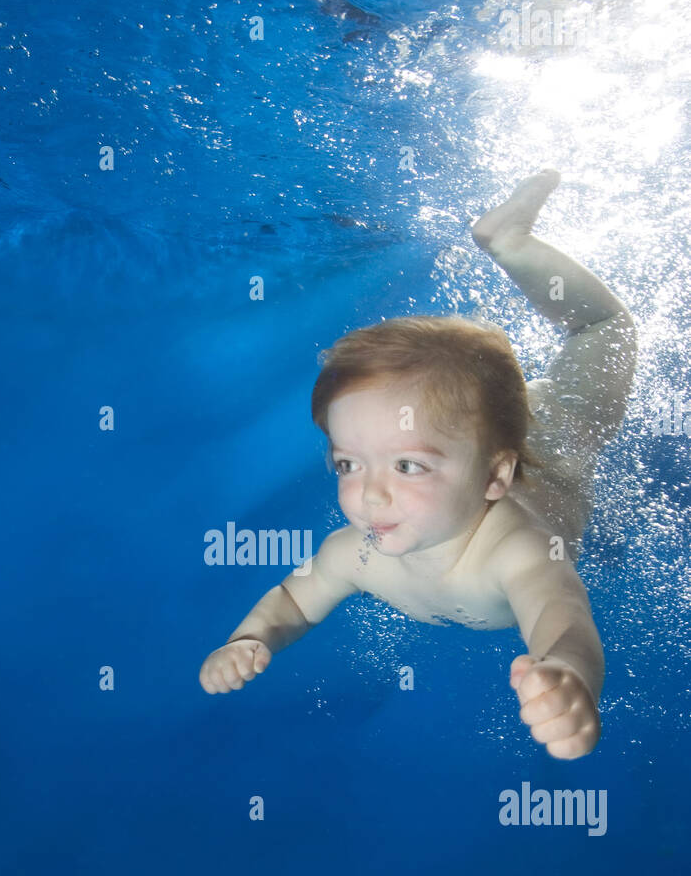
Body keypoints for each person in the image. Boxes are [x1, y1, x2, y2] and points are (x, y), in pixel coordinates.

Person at [198, 169, 636, 760]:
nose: (370, 496)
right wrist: (249, 640)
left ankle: (512, 243)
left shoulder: (518, 551)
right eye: (349, 464)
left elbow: (565, 621)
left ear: (494, 478)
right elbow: (294, 601)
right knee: (470, 413)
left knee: (605, 330)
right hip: (487, 440)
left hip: (557, 440)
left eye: (407, 467)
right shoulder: (352, 553)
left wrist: (570, 676)